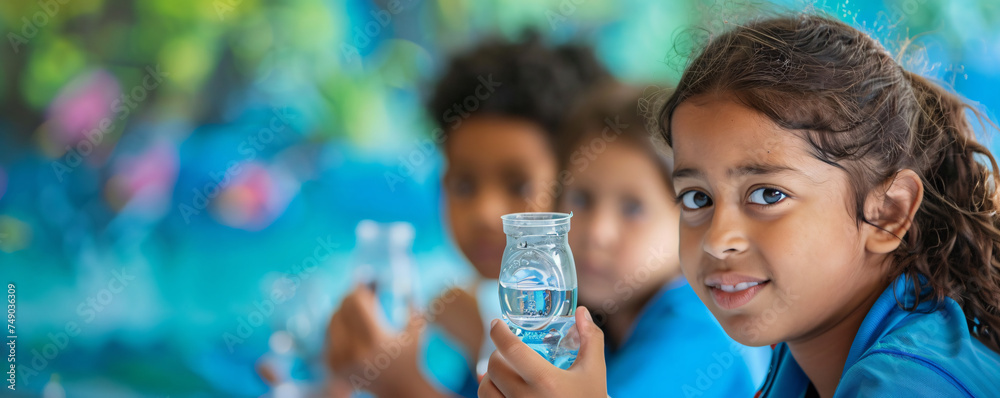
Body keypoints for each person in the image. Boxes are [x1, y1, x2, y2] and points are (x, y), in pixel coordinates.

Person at [480, 14, 1000, 398]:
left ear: (887, 213)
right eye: (697, 198)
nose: (717, 237)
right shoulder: (800, 362)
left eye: (768, 195)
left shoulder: (912, 385)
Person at [326, 32, 610, 397]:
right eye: (463, 186)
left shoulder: (605, 338)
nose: (485, 214)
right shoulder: (486, 313)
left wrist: (401, 385)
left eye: (518, 185)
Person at [556, 82, 771, 397]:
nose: (597, 232)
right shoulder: (602, 326)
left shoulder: (699, 333)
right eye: (582, 199)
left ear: (693, 215)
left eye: (633, 208)